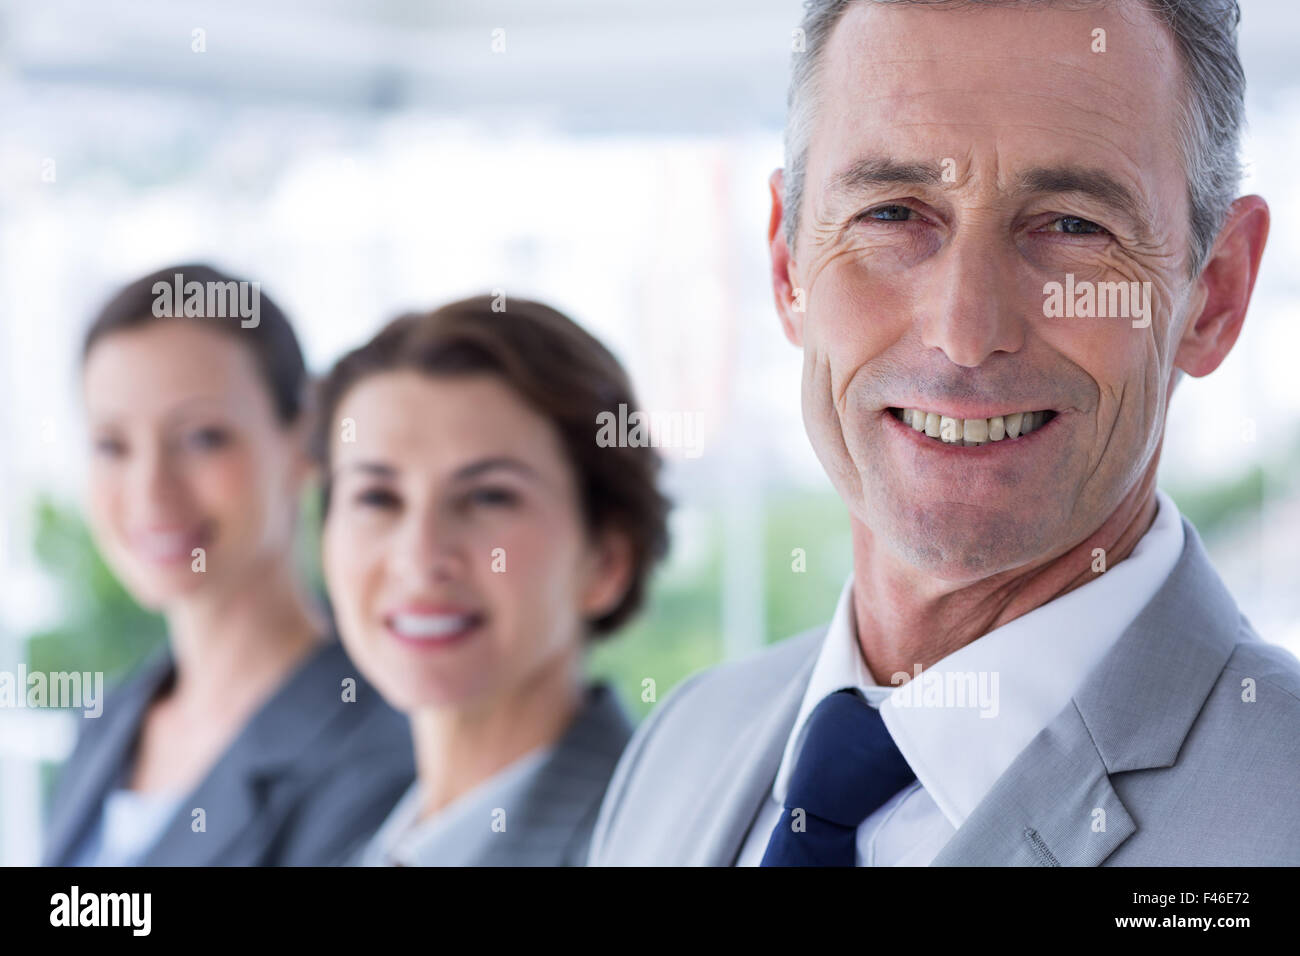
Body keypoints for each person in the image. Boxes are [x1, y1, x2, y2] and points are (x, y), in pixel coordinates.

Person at [590, 0, 1300, 866]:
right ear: (786, 267)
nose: (965, 331)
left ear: (1216, 294)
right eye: (892, 214)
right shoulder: (680, 750)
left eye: (1074, 225)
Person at [43, 264, 414, 866]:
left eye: (201, 438)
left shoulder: (380, 757)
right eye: (112, 445)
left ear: (304, 442)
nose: (150, 491)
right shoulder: (109, 722)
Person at [314, 294, 669, 866]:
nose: (420, 557)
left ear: (606, 560)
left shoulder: (662, 846)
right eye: (377, 497)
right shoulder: (347, 840)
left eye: (487, 496)